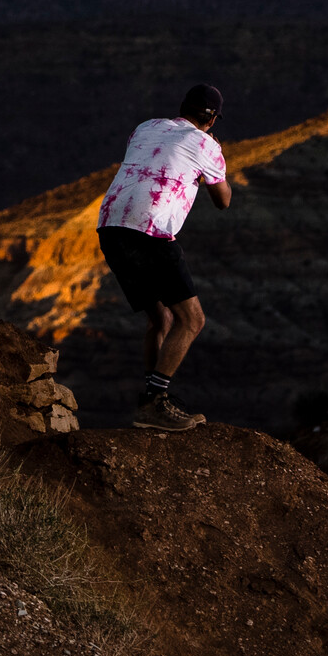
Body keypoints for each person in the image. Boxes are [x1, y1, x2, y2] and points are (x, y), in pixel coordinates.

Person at [95, 85, 245, 431]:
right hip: (150, 231)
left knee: (160, 319)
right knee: (192, 320)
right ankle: (154, 402)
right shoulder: (207, 144)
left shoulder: (146, 127)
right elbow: (223, 201)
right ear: (212, 119)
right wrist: (215, 154)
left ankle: (150, 398)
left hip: (110, 227)